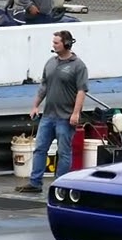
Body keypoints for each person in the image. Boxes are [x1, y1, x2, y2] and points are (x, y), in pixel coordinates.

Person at [16, 30, 88, 194]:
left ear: (67, 44)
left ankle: (60, 186)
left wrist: (76, 113)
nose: (53, 45)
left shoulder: (78, 66)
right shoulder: (50, 63)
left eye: (56, 43)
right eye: (53, 42)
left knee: (64, 152)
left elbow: (81, 91)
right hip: (48, 116)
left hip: (65, 117)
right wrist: (35, 106)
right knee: (40, 148)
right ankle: (35, 183)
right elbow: (44, 87)